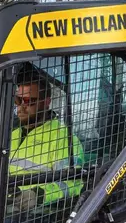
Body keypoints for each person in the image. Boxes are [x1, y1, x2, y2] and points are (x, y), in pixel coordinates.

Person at [8, 71, 84, 211]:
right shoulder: (11, 136)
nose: (21, 107)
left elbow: (72, 183)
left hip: (41, 217)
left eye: (28, 101)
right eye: (18, 101)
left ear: (47, 102)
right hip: (5, 211)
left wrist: (39, 195)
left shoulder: (65, 139)